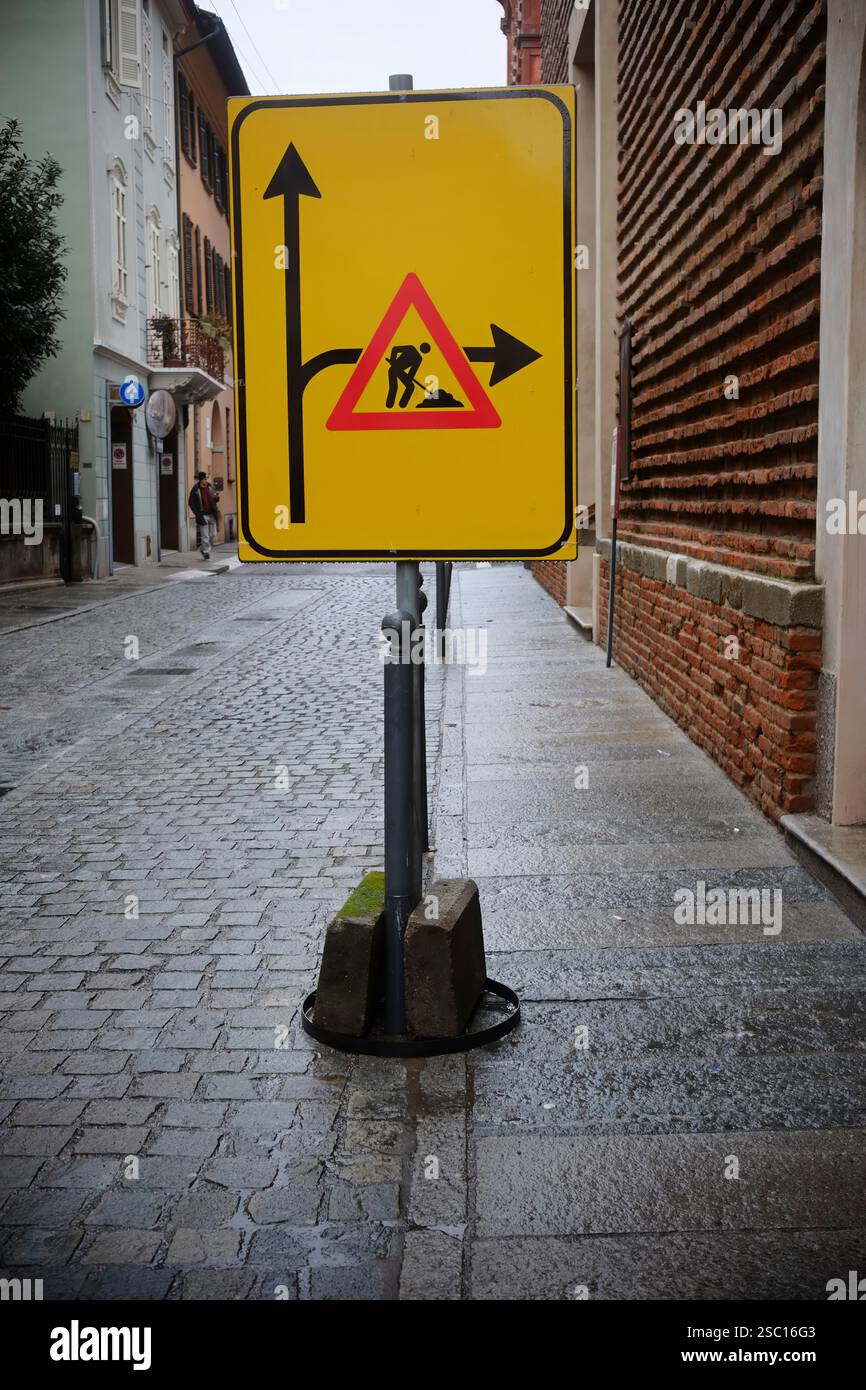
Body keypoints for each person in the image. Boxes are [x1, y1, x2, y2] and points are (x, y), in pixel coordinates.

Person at [188, 471, 220, 558]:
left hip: (212, 514)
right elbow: (191, 502)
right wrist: (197, 513)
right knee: (205, 536)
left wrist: (216, 498)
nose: (206, 480)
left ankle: (202, 548)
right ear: (201, 480)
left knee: (213, 534)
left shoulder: (210, 487)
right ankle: (206, 552)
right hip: (203, 515)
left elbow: (215, 498)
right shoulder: (195, 489)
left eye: (206, 479)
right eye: (205, 479)